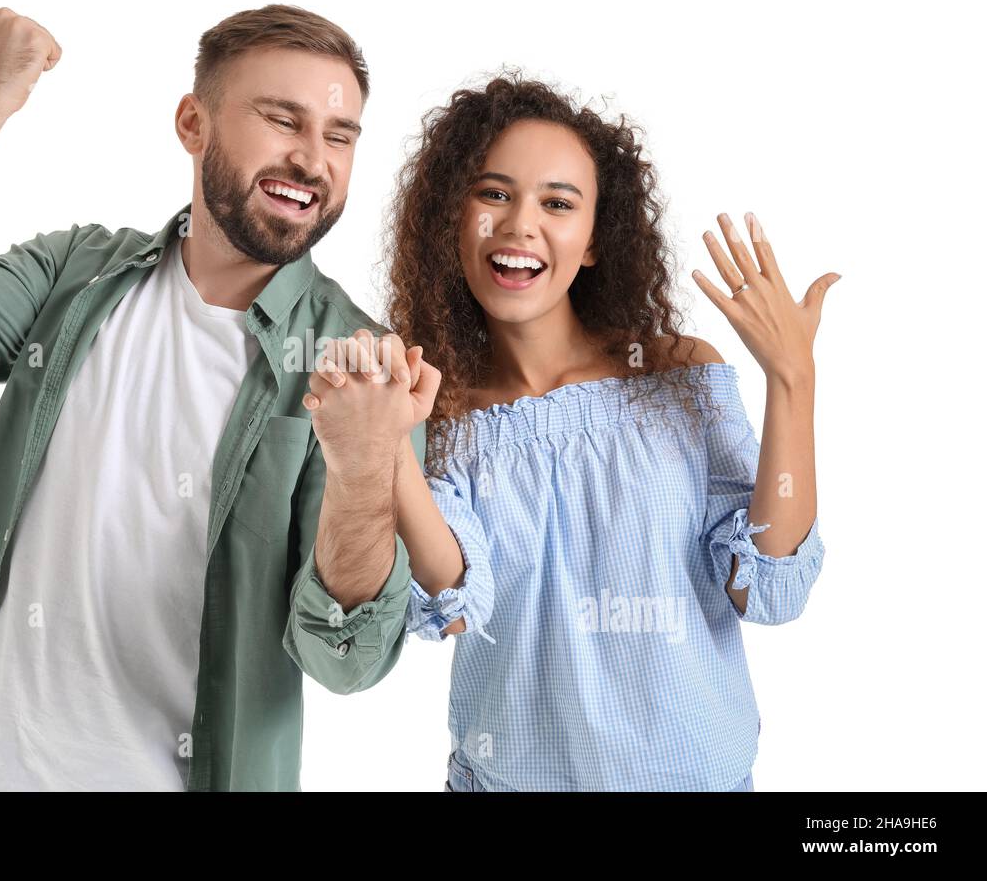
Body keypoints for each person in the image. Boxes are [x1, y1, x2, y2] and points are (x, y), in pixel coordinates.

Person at [0, 4, 430, 791]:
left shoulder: (360, 367)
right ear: (193, 123)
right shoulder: (78, 276)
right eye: (283, 119)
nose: (313, 158)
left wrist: (361, 471)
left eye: (340, 135)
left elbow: (347, 660)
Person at [306, 71, 836, 791]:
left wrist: (791, 379)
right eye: (494, 193)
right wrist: (391, 443)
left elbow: (766, 586)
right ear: (452, 219)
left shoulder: (677, 376)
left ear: (592, 241)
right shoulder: (440, 405)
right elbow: (455, 593)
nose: (521, 223)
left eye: (558, 203)